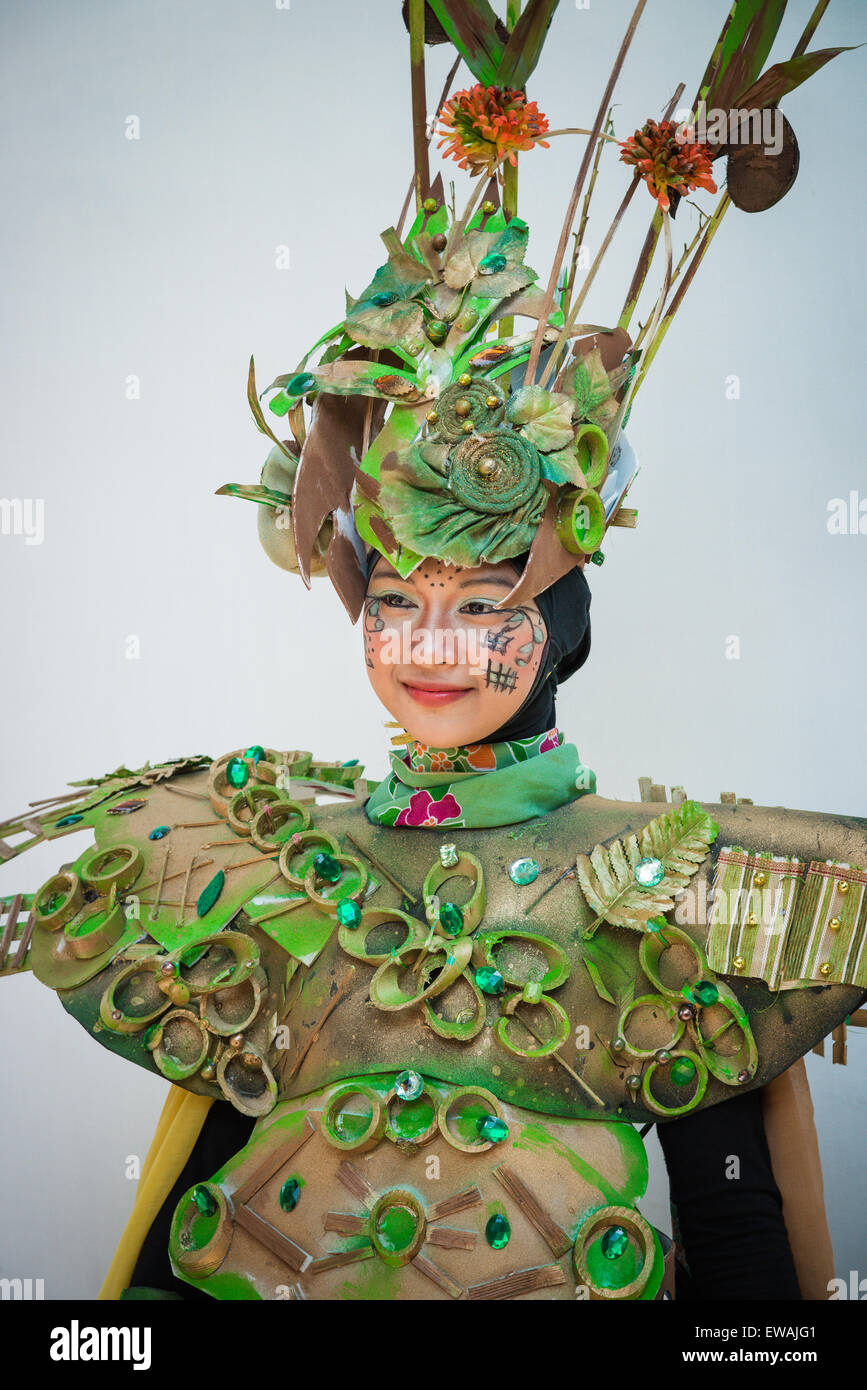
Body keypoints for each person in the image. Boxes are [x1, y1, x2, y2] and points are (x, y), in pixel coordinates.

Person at [3, 0, 862, 1304]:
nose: (431, 644)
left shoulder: (682, 889)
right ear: (356, 595)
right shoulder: (264, 855)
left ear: (563, 618)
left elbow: (740, 1264)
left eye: (482, 600)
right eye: (401, 595)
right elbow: (187, 1240)